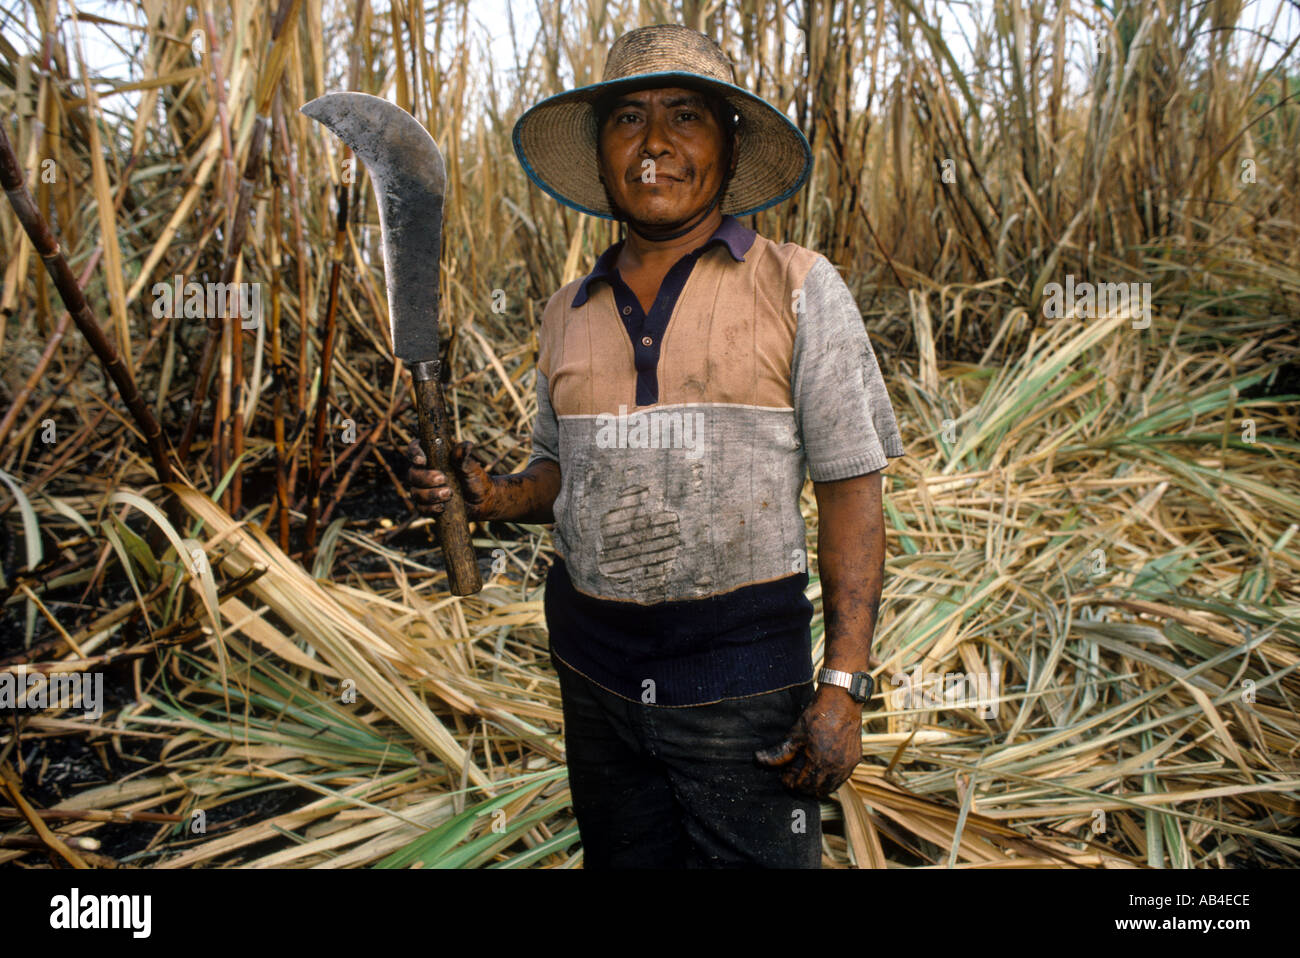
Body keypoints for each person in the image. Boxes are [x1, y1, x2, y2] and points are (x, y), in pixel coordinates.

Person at [406, 23, 904, 868]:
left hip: (742, 685)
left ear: (729, 144)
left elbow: (852, 491)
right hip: (594, 678)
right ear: (602, 155)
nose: (657, 144)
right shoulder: (569, 310)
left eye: (686, 116)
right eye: (629, 118)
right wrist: (492, 498)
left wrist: (843, 686)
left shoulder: (798, 286)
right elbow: (563, 476)